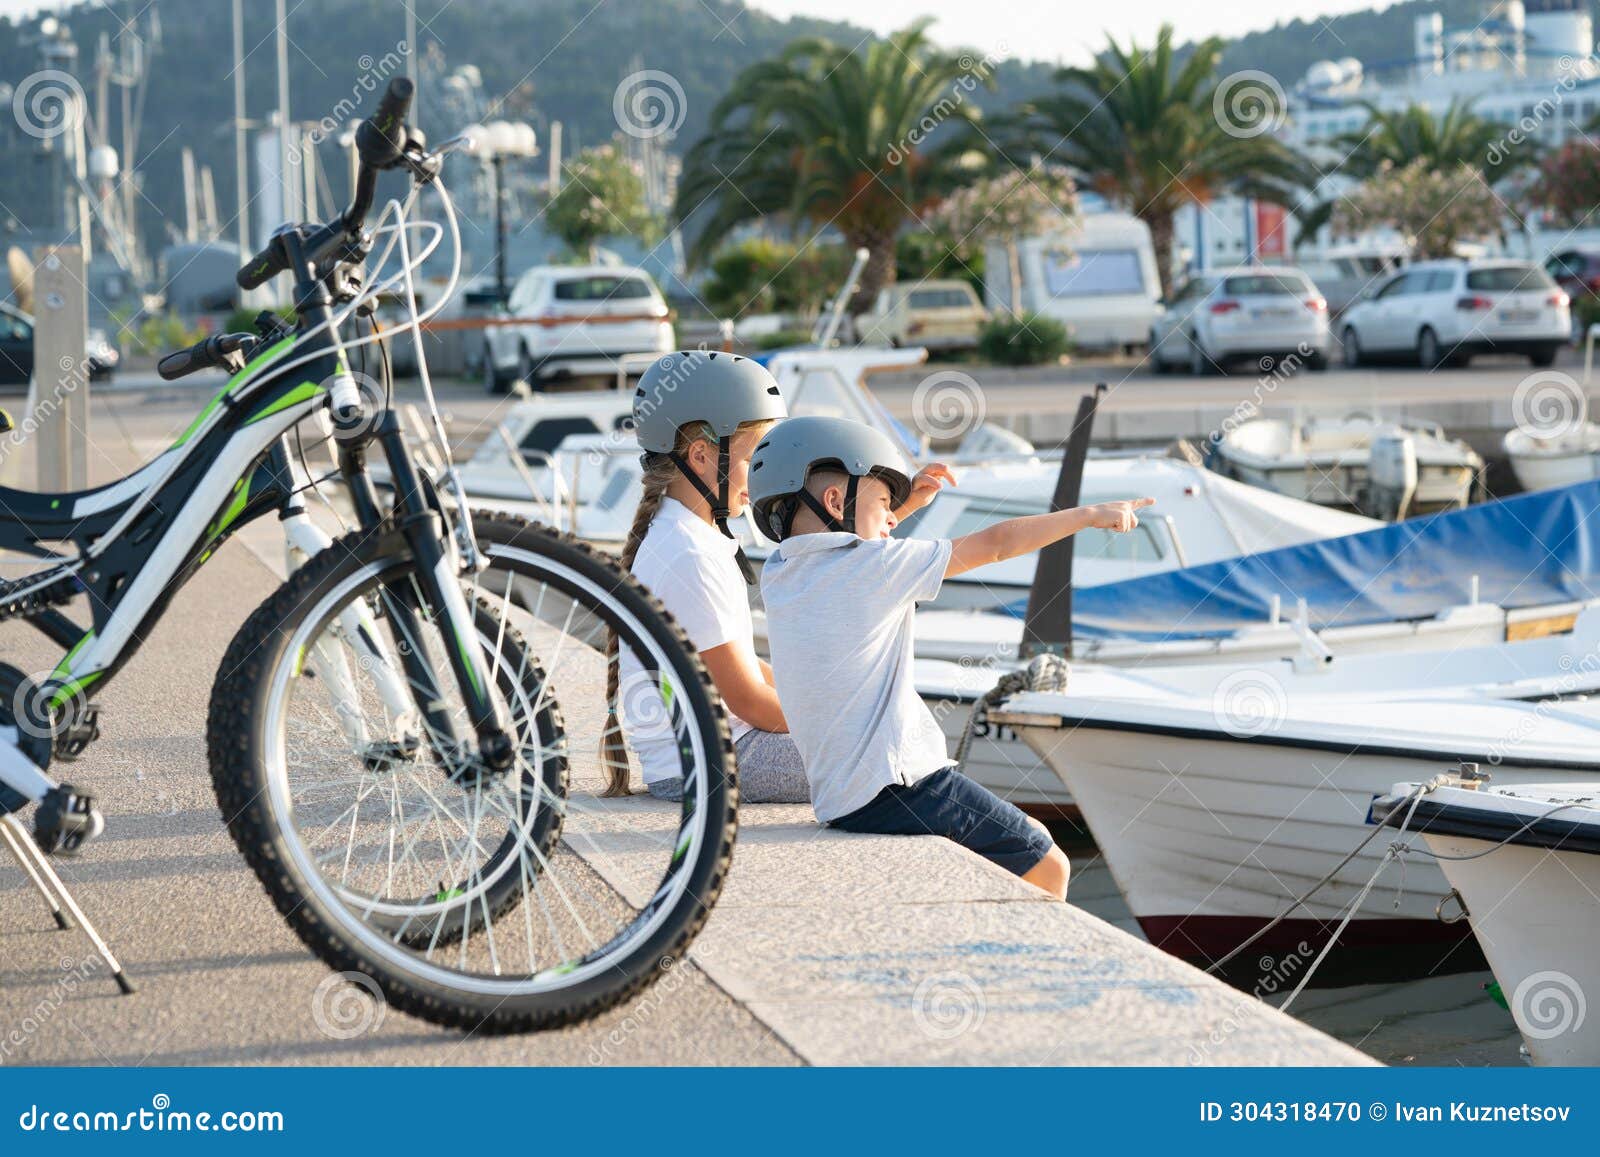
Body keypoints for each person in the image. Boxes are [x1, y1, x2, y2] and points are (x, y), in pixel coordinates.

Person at [747, 415, 1155, 900]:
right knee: (1048, 863)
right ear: (835, 502)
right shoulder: (876, 567)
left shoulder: (781, 571)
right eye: (884, 504)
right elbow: (999, 544)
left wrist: (903, 501)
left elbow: (856, 550)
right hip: (899, 787)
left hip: (842, 798)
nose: (893, 518)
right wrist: (1087, 517)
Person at [601, 350, 810, 805]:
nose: (765, 476)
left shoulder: (689, 532)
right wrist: (828, 725)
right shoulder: (688, 553)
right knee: (878, 759)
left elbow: (746, 668)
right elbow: (748, 702)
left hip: (715, 750)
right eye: (755, 459)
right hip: (712, 759)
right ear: (700, 456)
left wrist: (818, 700)